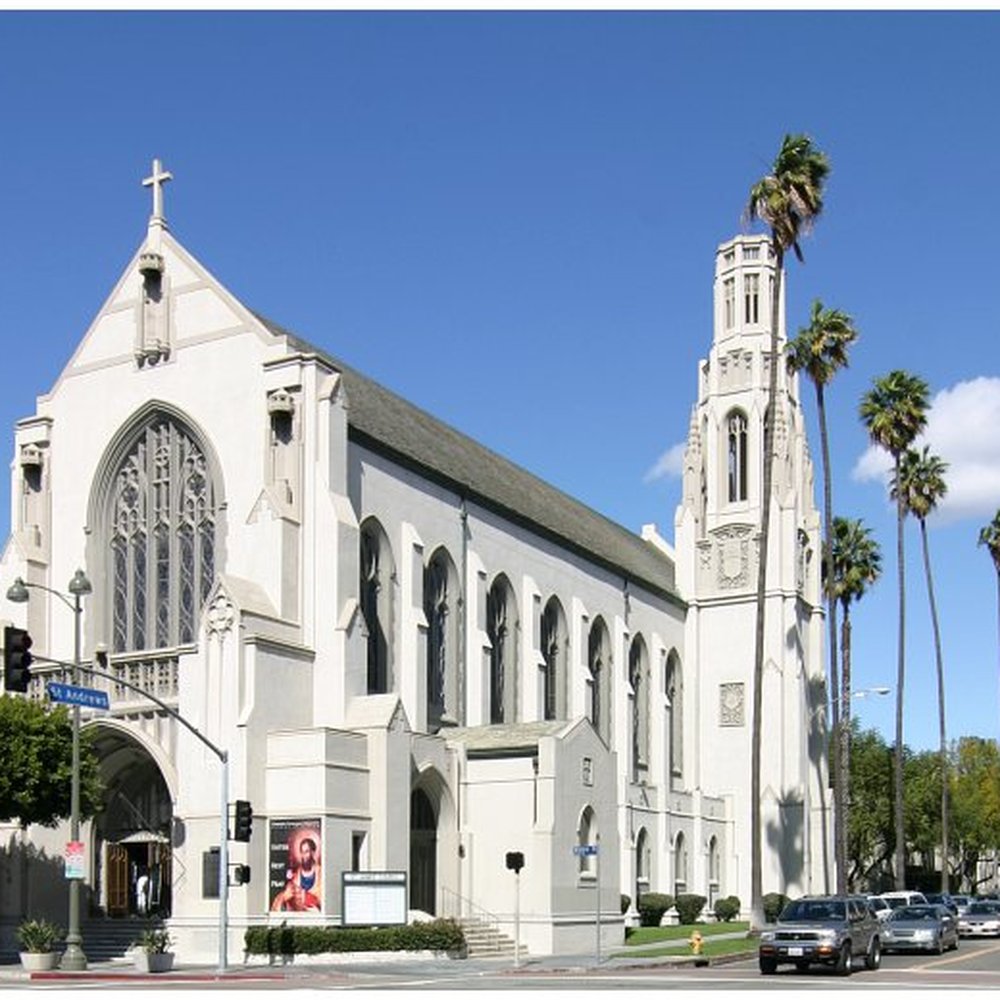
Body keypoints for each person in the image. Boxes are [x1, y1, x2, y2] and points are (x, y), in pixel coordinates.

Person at [270, 834, 321, 911]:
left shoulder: (321, 874)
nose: (304, 856)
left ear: (313, 853)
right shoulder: (294, 876)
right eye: (302, 852)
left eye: (307, 851)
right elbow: (282, 900)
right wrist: (284, 898)